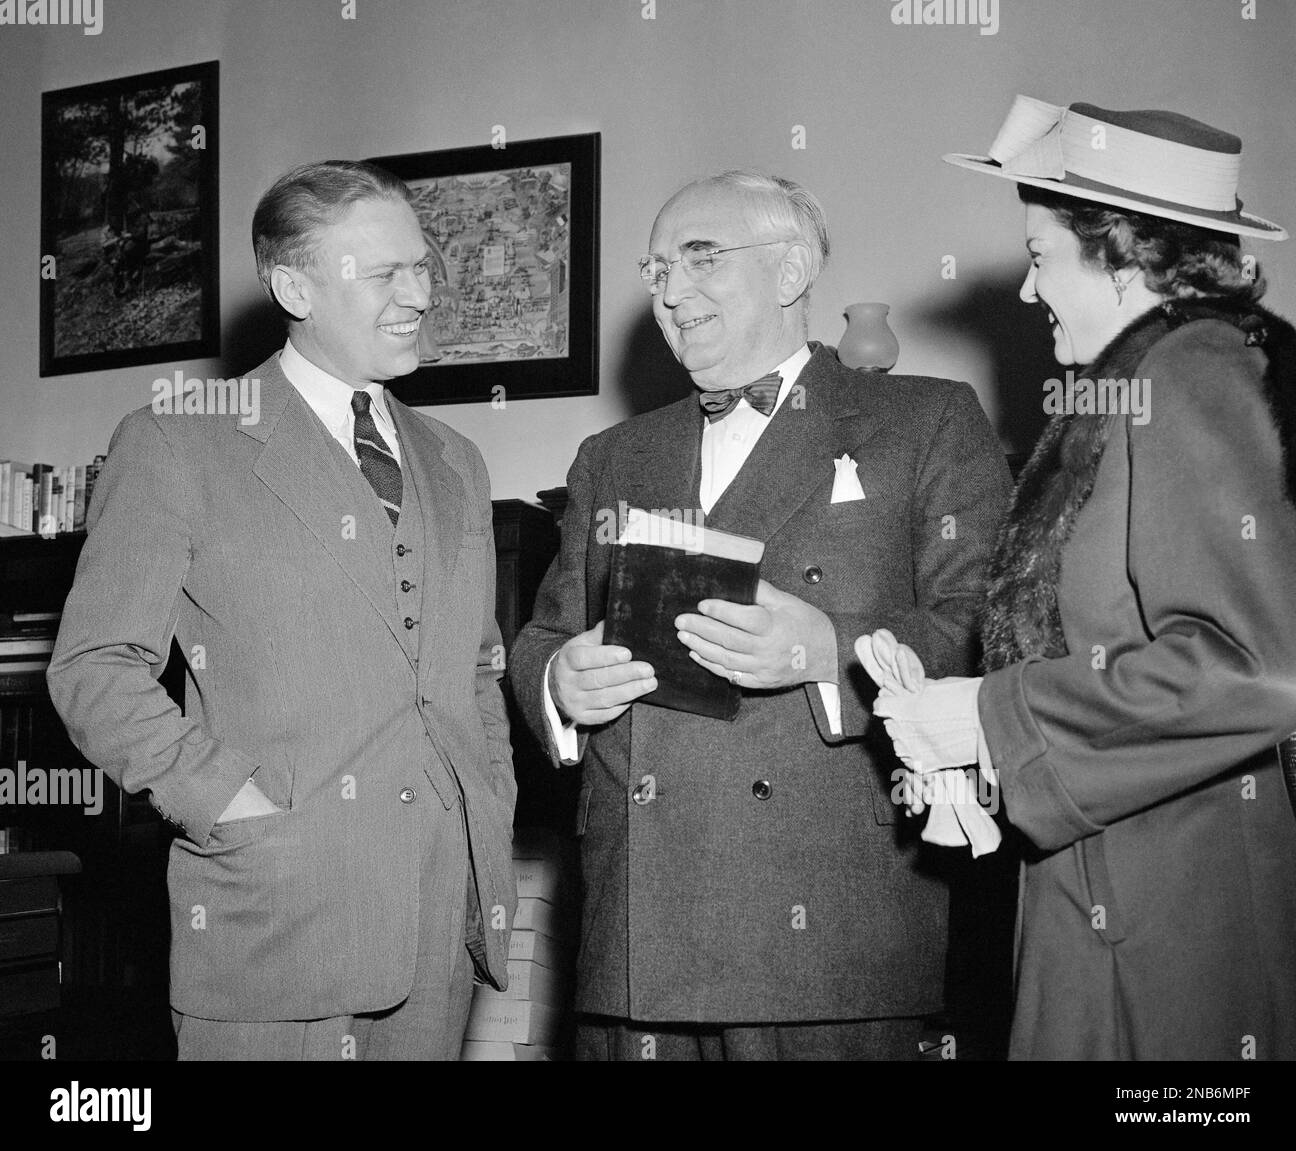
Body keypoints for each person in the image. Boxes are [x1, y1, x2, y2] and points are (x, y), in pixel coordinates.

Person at [509, 170, 1010, 1059]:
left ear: (790, 272)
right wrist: (558, 682)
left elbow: (984, 629)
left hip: (829, 943)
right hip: (639, 938)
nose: (668, 292)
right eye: (655, 268)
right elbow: (546, 632)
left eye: (700, 259)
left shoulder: (925, 419)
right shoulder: (613, 454)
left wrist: (830, 651)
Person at [47, 161, 517, 1060]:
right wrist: (229, 802)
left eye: (423, 268)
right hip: (276, 923)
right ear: (294, 285)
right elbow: (94, 669)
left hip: (439, 924)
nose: (419, 295)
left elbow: (475, 669)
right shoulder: (177, 439)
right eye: (384, 274)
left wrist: (488, 795)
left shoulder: (456, 458)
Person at [863, 95, 1296, 1059]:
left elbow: (1259, 669)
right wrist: (964, 731)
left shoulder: (1193, 376)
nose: (1026, 291)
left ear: (1126, 253)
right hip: (1120, 898)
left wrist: (990, 712)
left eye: (1040, 256)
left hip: (1169, 933)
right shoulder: (1145, 385)